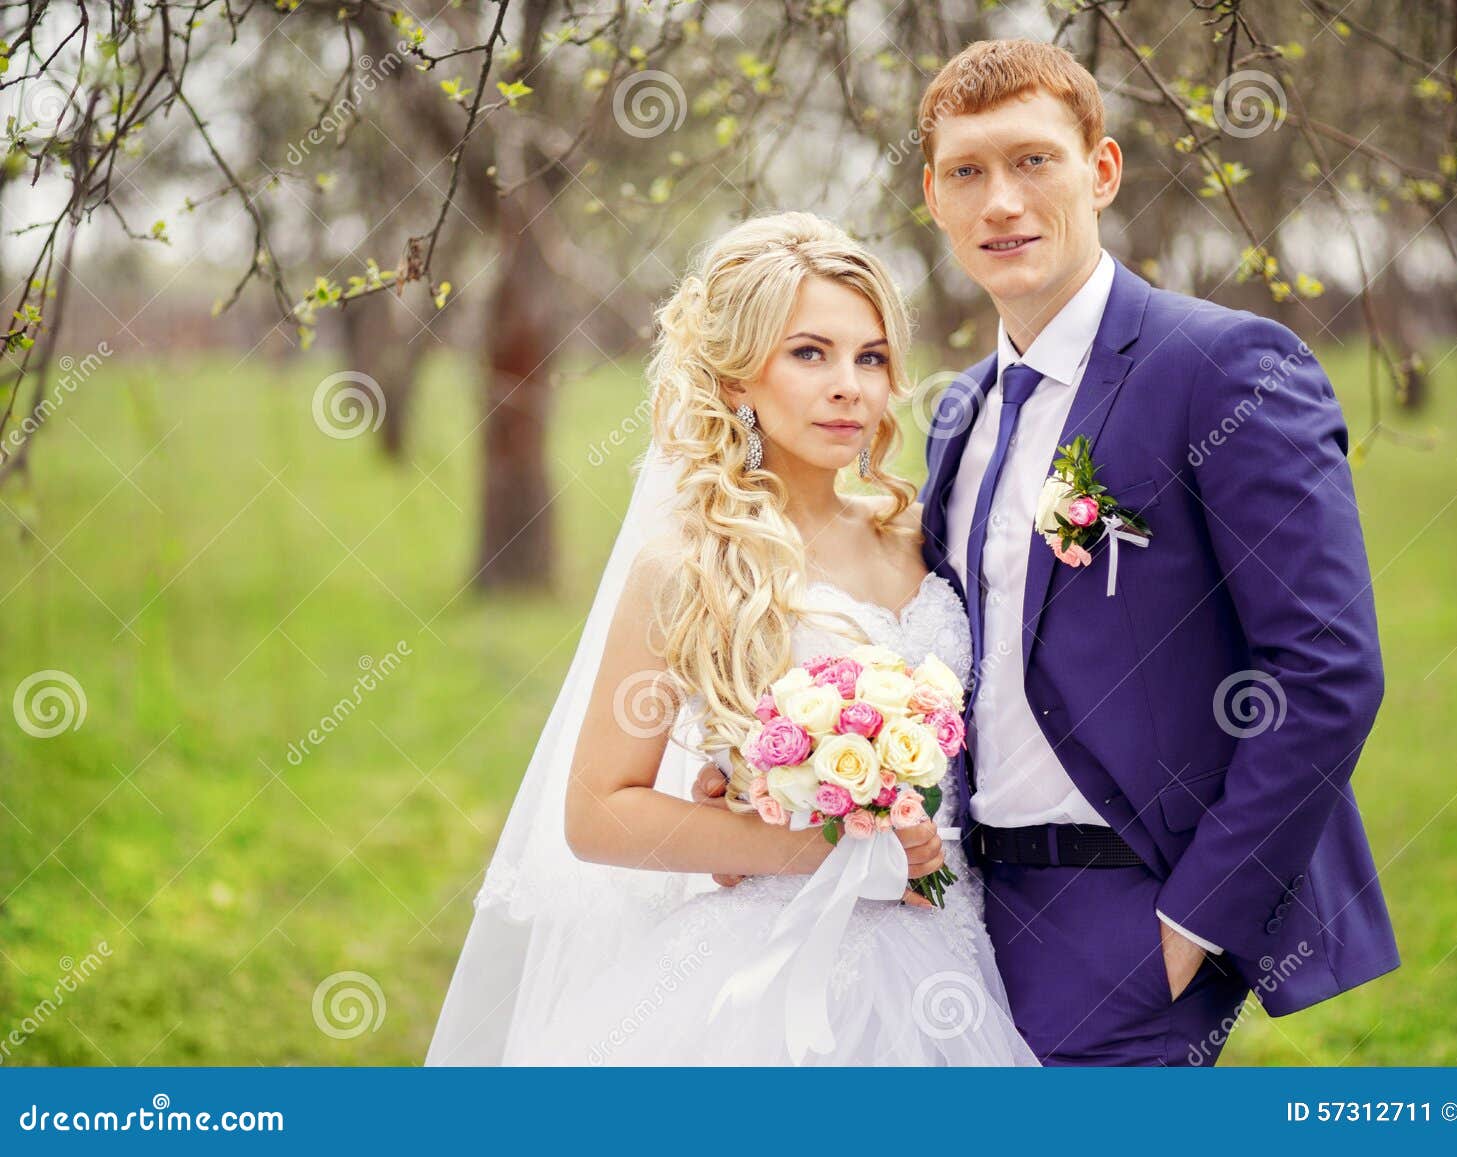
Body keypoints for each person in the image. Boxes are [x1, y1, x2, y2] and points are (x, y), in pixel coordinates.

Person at [427, 210, 1037, 1066]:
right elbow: (600, 809)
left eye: (869, 358)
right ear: (738, 379)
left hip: (957, 949)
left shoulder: (920, 539)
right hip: (767, 971)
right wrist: (821, 849)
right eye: (808, 353)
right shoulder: (690, 565)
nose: (848, 387)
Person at [908, 39, 1400, 1065]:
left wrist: (1187, 929)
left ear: (1101, 169)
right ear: (935, 199)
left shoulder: (1224, 368)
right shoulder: (959, 411)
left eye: (1032, 160)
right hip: (956, 919)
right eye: (967, 171)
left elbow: (1326, 671)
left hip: (1124, 917)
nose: (1000, 200)